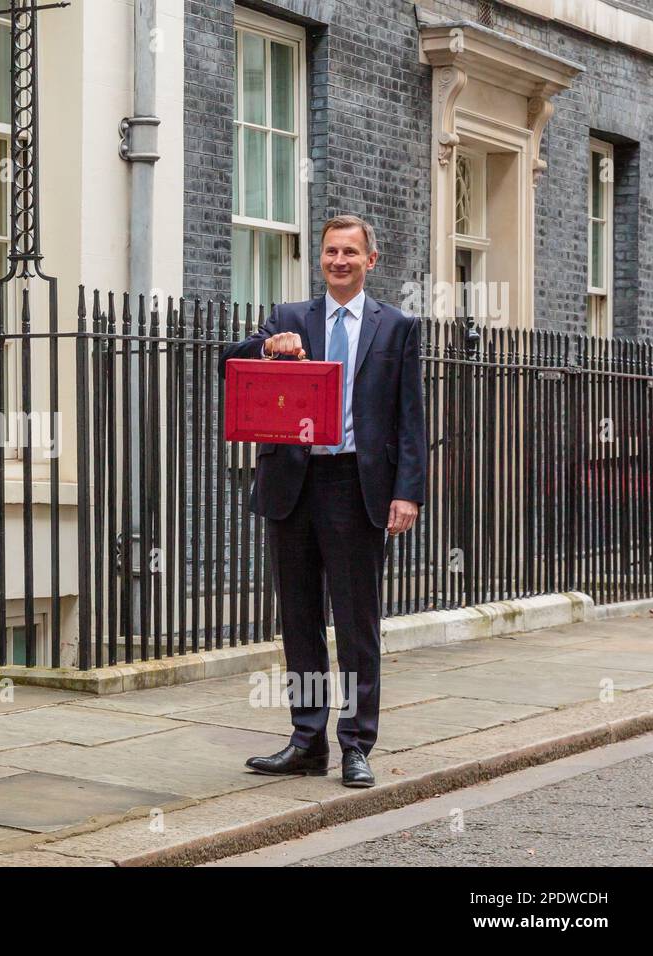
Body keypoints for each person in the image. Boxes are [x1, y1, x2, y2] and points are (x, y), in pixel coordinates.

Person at [220, 214, 426, 788]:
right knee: (300, 619)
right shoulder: (289, 318)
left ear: (370, 260)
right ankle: (307, 740)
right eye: (331, 251)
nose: (339, 261)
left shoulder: (398, 327)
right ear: (322, 259)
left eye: (350, 253)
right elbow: (226, 366)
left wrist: (408, 492)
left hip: (356, 486)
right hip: (294, 483)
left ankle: (357, 743)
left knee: (357, 621)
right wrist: (266, 348)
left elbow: (411, 417)